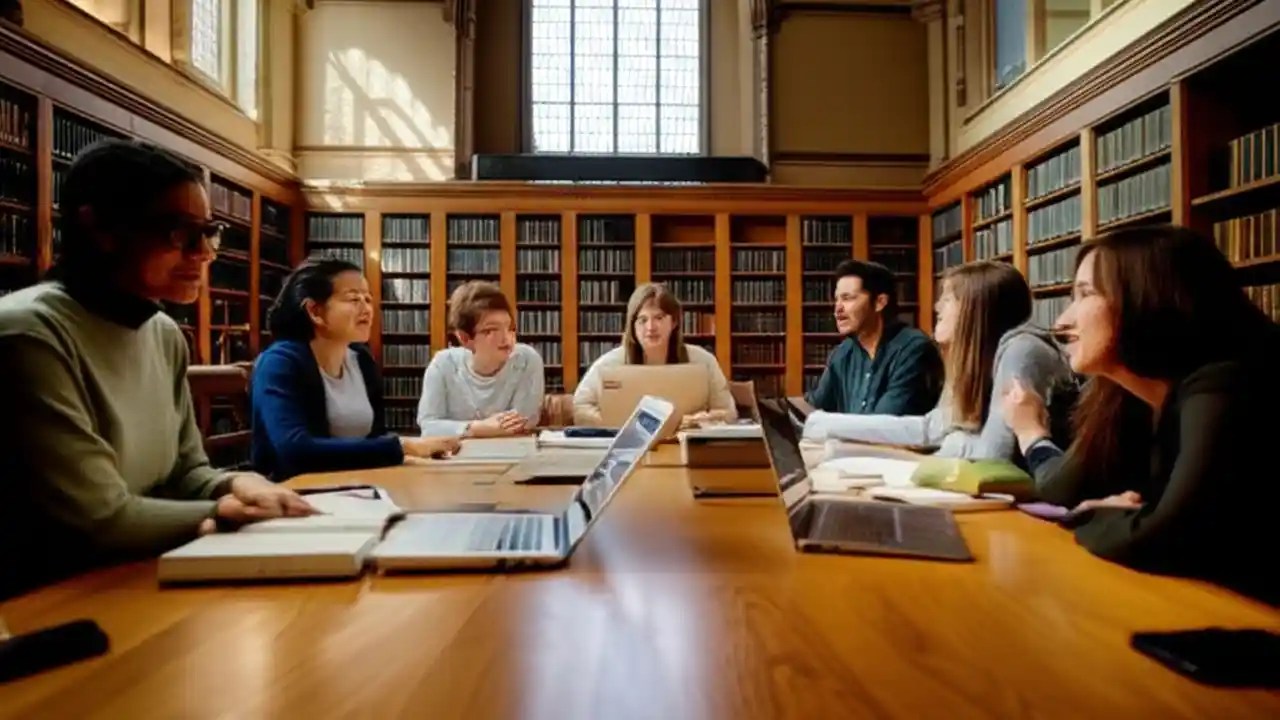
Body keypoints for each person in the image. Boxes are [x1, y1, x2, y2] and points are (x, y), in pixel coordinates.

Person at [0, 139, 311, 598]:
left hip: (152, 572)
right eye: (180, 233)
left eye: (210, 232)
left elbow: (188, 473)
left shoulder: (164, 333)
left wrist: (240, 481)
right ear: (101, 228)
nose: (205, 253)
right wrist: (224, 509)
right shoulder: (28, 334)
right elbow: (98, 518)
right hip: (54, 598)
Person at [1002, 226, 1279, 598]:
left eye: (1085, 294)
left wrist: (1093, 514)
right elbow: (1063, 490)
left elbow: (1171, 535)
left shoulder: (1225, 384)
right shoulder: (1129, 392)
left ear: (1146, 298)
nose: (1062, 322)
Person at [805, 260, 1077, 463]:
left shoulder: (1022, 349)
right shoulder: (970, 361)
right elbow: (929, 430)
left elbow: (992, 458)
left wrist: (954, 442)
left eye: (947, 299)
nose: (937, 308)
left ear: (974, 307)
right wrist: (820, 425)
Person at [251, 259, 460, 481]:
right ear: (315, 311)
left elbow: (374, 438)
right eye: (353, 299)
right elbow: (295, 451)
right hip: (291, 494)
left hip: (358, 486)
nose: (367, 308)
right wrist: (404, 446)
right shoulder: (279, 363)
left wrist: (408, 451)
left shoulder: (361, 359)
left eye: (368, 299)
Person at [574, 282, 736, 426]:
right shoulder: (609, 364)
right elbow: (580, 407)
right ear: (633, 326)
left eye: (659, 318)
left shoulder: (703, 361)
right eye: (642, 320)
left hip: (687, 446)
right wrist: (611, 422)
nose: (651, 327)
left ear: (674, 322)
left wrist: (706, 419)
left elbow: (728, 412)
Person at [806, 260, 943, 416]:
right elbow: (813, 409)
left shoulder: (913, 349)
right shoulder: (842, 354)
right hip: (851, 440)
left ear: (880, 302)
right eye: (836, 299)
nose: (838, 308)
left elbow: (885, 424)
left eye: (848, 298)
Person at [416, 280, 545, 437]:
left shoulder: (527, 361)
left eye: (509, 328)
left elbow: (522, 423)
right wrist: (480, 428)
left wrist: (457, 429)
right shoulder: (443, 365)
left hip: (511, 452)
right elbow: (428, 426)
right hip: (455, 457)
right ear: (465, 338)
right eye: (491, 330)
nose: (506, 338)